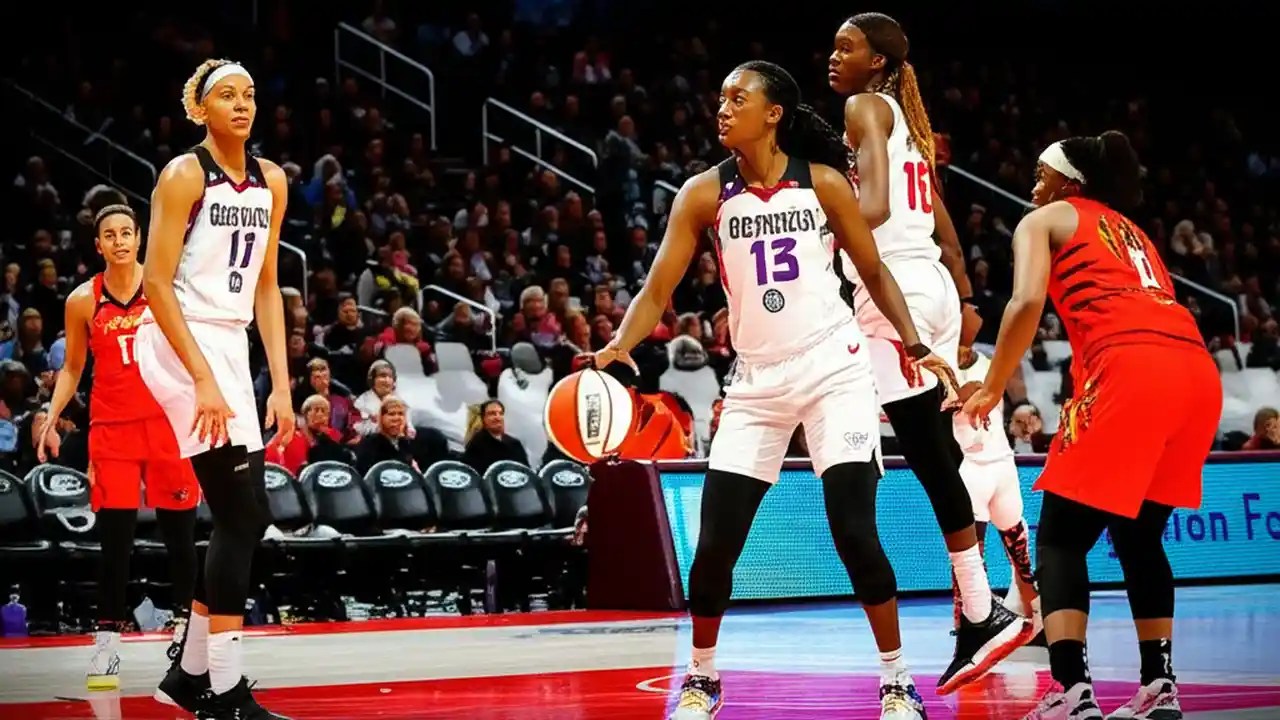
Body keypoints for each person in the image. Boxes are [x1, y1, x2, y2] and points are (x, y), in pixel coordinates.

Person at [595, 60, 957, 720]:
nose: (723, 109)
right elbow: (656, 290)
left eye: (739, 98)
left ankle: (898, 681)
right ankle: (702, 677)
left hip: (834, 371)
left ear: (773, 114)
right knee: (714, 547)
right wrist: (621, 343)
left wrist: (914, 342)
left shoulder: (824, 184)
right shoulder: (704, 193)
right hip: (756, 384)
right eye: (721, 97)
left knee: (854, 529)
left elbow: (873, 271)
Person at [961, 131, 1223, 720]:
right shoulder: (1136, 234)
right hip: (1195, 372)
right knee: (1139, 537)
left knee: (1059, 538)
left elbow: (1025, 302)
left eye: (1041, 176)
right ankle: (1160, 684)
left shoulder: (1045, 219)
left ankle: (1071, 690)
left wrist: (994, 384)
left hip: (1129, 368)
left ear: (1069, 184)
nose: (1033, 188)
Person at [828, 12, 1034, 692]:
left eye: (847, 47)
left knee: (922, 446)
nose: (834, 56)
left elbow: (876, 210)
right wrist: (963, 292)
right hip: (931, 285)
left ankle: (978, 608)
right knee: (928, 442)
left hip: (896, 290)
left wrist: (817, 234)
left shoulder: (864, 107)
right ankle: (977, 603)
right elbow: (942, 227)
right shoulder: (907, 125)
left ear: (878, 61)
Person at [131, 58, 294, 720]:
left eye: (249, 94)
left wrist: (281, 384)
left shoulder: (272, 180)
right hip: (177, 339)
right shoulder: (184, 175)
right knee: (242, 514)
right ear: (200, 108)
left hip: (228, 341)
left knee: (245, 513)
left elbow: (267, 287)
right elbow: (154, 282)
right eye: (226, 95)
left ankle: (189, 677)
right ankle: (223, 693)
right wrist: (200, 375)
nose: (241, 104)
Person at [34, 204, 200, 691]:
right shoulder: (82, 300)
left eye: (128, 232)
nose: (121, 240)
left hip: (167, 424)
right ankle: (106, 643)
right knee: (116, 543)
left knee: (180, 537)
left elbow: (192, 350)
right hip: (112, 431)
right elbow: (73, 368)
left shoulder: (165, 287)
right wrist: (50, 415)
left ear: (139, 238)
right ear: (99, 245)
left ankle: (188, 635)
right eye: (111, 234)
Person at [950, 347, 1039, 638]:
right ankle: (968, 628)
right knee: (969, 559)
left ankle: (1037, 619)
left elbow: (1014, 382)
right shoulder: (938, 363)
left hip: (1002, 464)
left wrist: (1023, 408)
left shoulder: (991, 358)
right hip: (968, 467)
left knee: (1021, 556)